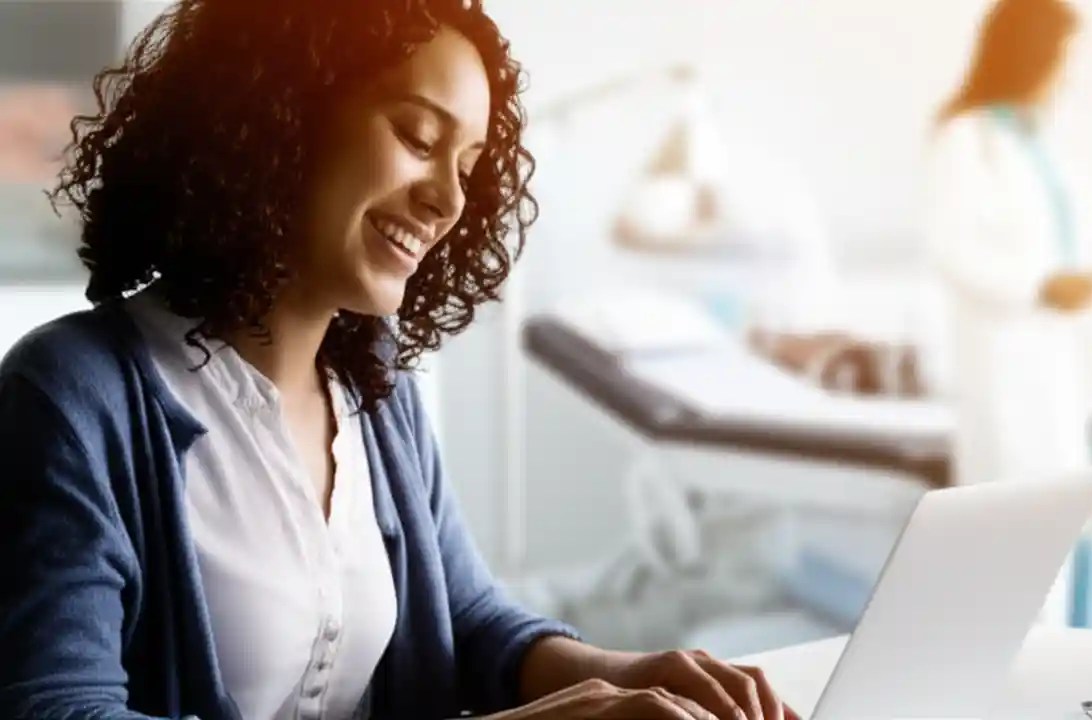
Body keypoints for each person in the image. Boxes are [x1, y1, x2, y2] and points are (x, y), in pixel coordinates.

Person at [0, 2, 796, 719]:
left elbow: (469, 619)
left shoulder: (373, 388)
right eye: (419, 138)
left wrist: (623, 673)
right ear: (283, 114)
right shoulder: (73, 396)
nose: (448, 203)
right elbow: (60, 711)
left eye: (468, 167)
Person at [926, 0, 1092, 489]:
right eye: (1062, 59)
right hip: (1004, 362)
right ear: (1030, 56)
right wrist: (1041, 287)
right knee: (1018, 520)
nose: (1067, 76)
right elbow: (953, 251)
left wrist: (1076, 283)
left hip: (1053, 359)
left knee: (1058, 517)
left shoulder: (1037, 143)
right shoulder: (966, 139)